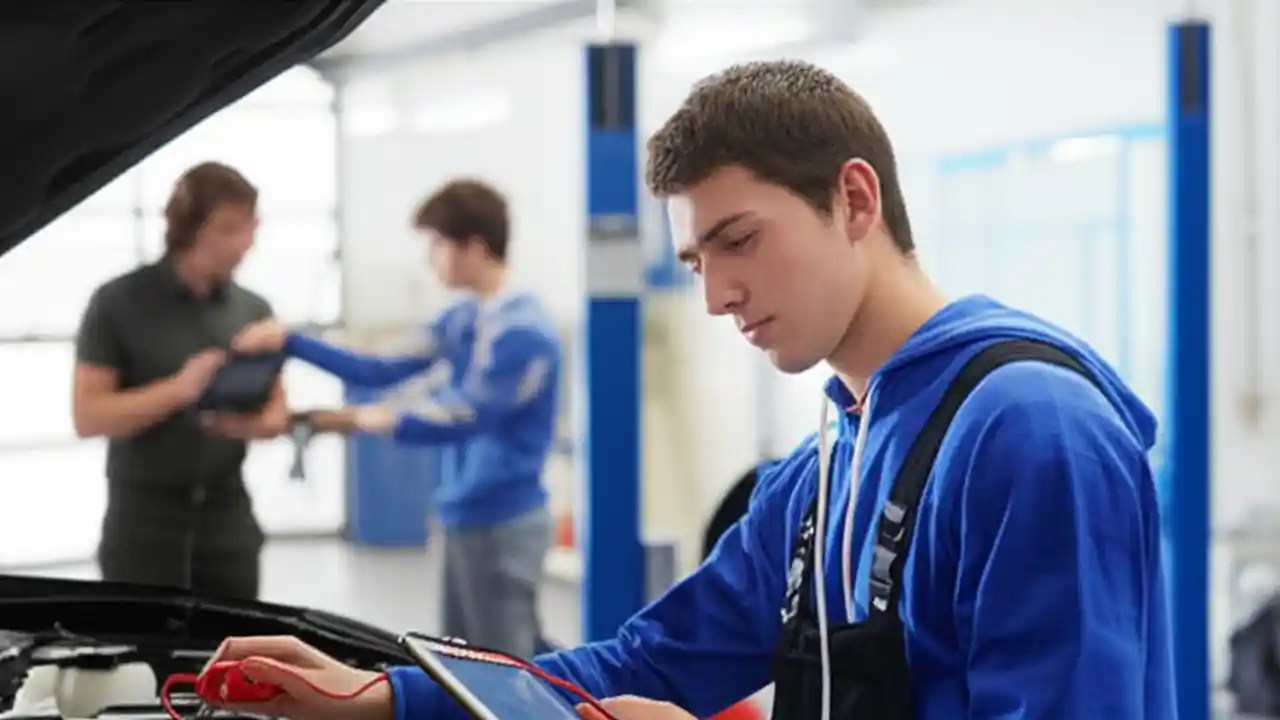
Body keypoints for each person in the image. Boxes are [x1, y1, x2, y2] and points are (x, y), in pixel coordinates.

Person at [204, 60, 1176, 719]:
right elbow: (645, 661)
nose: (715, 295)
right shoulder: (823, 469)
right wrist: (381, 696)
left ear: (853, 199)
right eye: (693, 259)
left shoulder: (1026, 433)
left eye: (737, 240)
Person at [232, 178, 561, 662]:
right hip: (464, 514)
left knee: (506, 668)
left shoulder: (522, 331)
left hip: (503, 519)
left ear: (472, 245)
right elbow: (381, 365)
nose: (429, 258)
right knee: (463, 662)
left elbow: (460, 416)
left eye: (436, 244)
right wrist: (291, 342)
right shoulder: (463, 317)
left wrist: (344, 420)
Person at [73, 161, 288, 600]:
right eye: (230, 229)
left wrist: (248, 426)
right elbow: (89, 416)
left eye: (251, 228)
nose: (245, 244)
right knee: (143, 656)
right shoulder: (117, 302)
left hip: (228, 520)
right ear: (187, 228)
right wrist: (182, 388)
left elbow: (277, 415)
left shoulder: (253, 310)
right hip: (143, 521)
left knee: (234, 658)